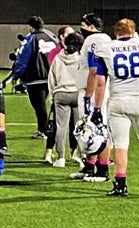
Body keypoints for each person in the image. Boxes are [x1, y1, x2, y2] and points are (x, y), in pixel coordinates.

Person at [91, 18, 139, 198]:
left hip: (118, 100)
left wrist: (97, 109)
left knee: (121, 145)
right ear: (133, 31)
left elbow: (100, 81)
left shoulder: (106, 48)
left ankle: (120, 183)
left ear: (116, 32)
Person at [3, 17, 55, 140]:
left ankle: (43, 130)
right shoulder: (51, 37)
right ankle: (45, 129)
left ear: (31, 26)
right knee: (43, 104)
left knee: (39, 105)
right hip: (50, 77)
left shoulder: (30, 39)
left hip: (35, 77)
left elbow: (23, 59)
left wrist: (16, 74)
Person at [78, 13, 112, 183]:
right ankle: (90, 166)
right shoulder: (102, 39)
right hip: (95, 91)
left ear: (91, 26)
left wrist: (88, 98)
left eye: (83, 25)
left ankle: (103, 169)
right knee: (89, 131)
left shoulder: (94, 40)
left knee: (99, 129)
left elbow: (95, 73)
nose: (81, 28)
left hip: (93, 93)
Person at [48, 31, 85, 168]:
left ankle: (61, 158)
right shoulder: (81, 58)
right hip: (77, 93)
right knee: (80, 127)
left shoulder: (58, 58)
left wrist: (52, 95)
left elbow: (51, 78)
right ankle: (83, 158)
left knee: (61, 127)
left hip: (61, 93)